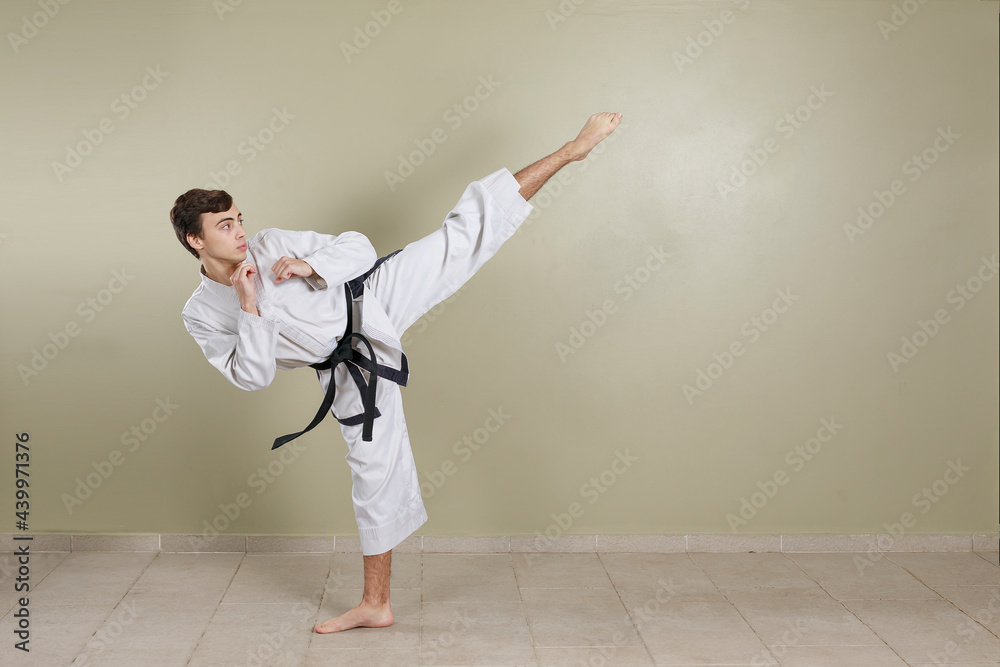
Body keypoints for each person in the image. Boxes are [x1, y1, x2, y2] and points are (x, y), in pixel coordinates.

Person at [170, 112, 623, 634]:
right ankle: (376, 604)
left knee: (459, 237)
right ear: (195, 241)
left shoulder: (271, 244)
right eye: (226, 226)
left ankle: (571, 150)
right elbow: (251, 377)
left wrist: (310, 267)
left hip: (370, 297)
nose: (242, 233)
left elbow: (357, 247)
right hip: (345, 367)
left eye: (240, 218)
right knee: (373, 468)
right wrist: (248, 305)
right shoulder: (202, 313)